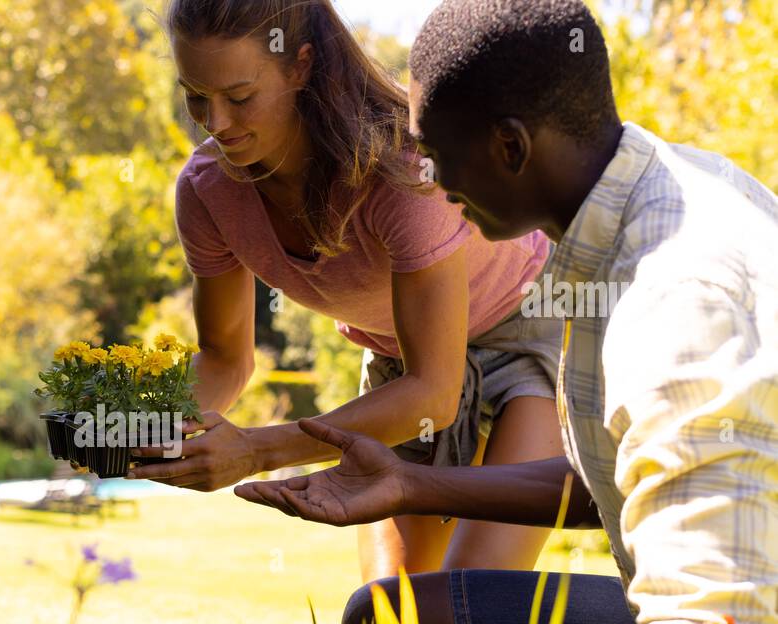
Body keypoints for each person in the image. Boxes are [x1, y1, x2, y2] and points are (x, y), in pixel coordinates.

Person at [236, 0, 778, 624]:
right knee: (393, 623)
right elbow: (639, 484)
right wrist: (415, 484)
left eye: (432, 150)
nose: (422, 175)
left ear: (511, 147)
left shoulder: (673, 299)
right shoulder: (665, 196)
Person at [133, 0, 563, 584]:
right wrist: (147, 429)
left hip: (524, 329)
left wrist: (258, 451)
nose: (217, 122)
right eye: (195, 96)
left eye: (239, 97)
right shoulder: (210, 192)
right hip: (401, 358)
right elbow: (226, 359)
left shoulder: (403, 173)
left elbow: (434, 396)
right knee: (386, 621)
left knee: (468, 604)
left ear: (299, 66)